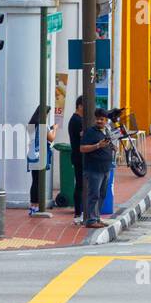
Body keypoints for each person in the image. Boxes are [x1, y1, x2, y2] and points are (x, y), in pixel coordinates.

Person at [79, 108, 114, 229]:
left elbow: (107, 144)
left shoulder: (106, 131)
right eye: (97, 119)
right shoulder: (90, 132)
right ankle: (91, 220)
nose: (99, 121)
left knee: (102, 194)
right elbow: (82, 148)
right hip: (94, 169)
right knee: (94, 194)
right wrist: (98, 145)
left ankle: (97, 218)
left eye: (102, 119)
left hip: (105, 168)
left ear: (106, 120)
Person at [26, 114, 56, 216]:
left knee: (35, 180)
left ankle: (33, 206)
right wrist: (55, 129)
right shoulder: (44, 125)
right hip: (40, 155)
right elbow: (51, 138)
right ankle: (38, 205)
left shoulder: (31, 125)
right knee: (39, 181)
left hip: (32, 154)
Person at [67, 96, 85, 224]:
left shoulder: (76, 119)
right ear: (80, 106)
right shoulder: (76, 121)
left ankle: (80, 212)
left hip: (78, 156)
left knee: (81, 184)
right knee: (80, 185)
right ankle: (78, 213)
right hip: (79, 156)